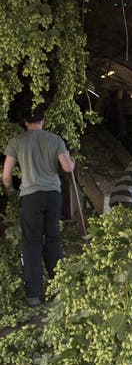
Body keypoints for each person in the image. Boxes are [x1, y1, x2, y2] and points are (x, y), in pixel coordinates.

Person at [2, 106, 75, 307]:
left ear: (25, 122)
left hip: (30, 197)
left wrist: (10, 191)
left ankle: (33, 295)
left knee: (31, 243)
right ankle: (57, 290)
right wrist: (72, 162)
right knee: (53, 240)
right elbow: (67, 167)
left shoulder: (17, 141)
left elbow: (6, 175)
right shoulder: (55, 140)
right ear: (43, 120)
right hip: (53, 196)